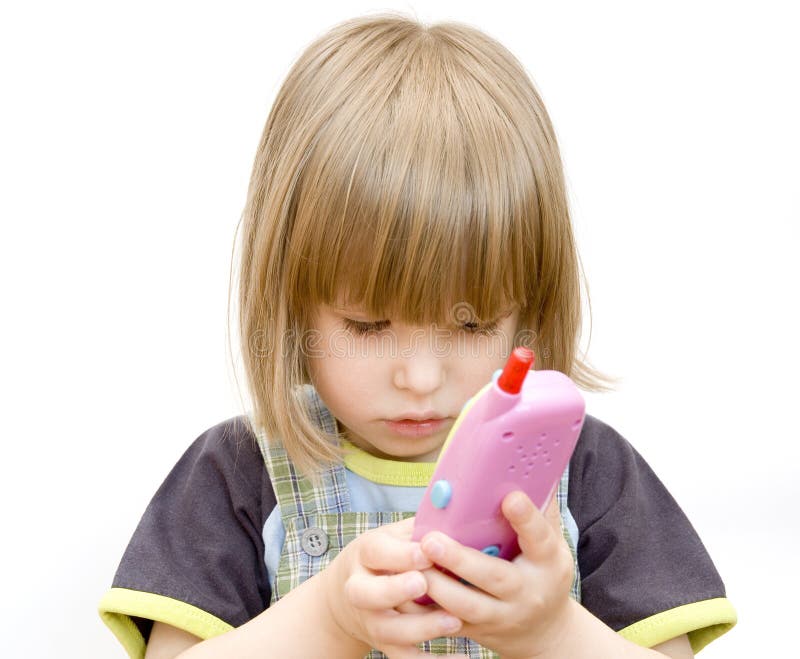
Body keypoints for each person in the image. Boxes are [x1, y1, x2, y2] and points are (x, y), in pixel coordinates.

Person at [98, 13, 737, 659]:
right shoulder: (238, 474)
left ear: (529, 307)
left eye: (471, 323)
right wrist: (329, 618)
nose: (421, 378)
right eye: (368, 325)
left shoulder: (588, 471)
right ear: (292, 305)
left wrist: (552, 632)